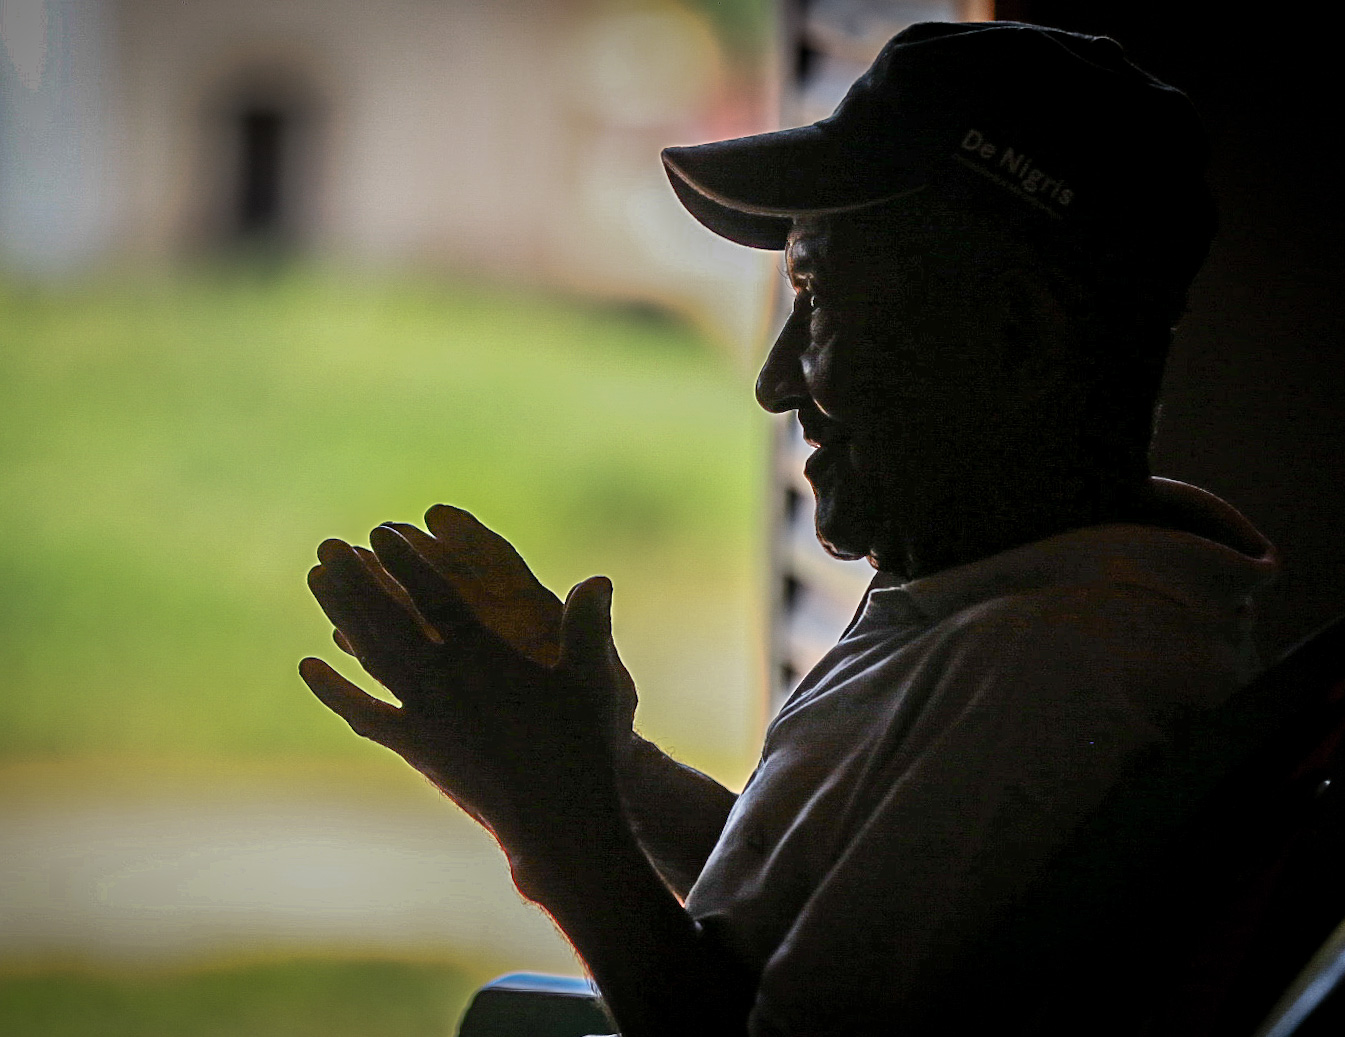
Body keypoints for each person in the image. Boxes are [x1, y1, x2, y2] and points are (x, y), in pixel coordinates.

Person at [298, 21, 1278, 1037]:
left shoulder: (1051, 669)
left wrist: (552, 823)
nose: (775, 382)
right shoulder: (1016, 601)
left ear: (1013, 338)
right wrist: (608, 767)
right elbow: (813, 916)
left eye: (819, 295)